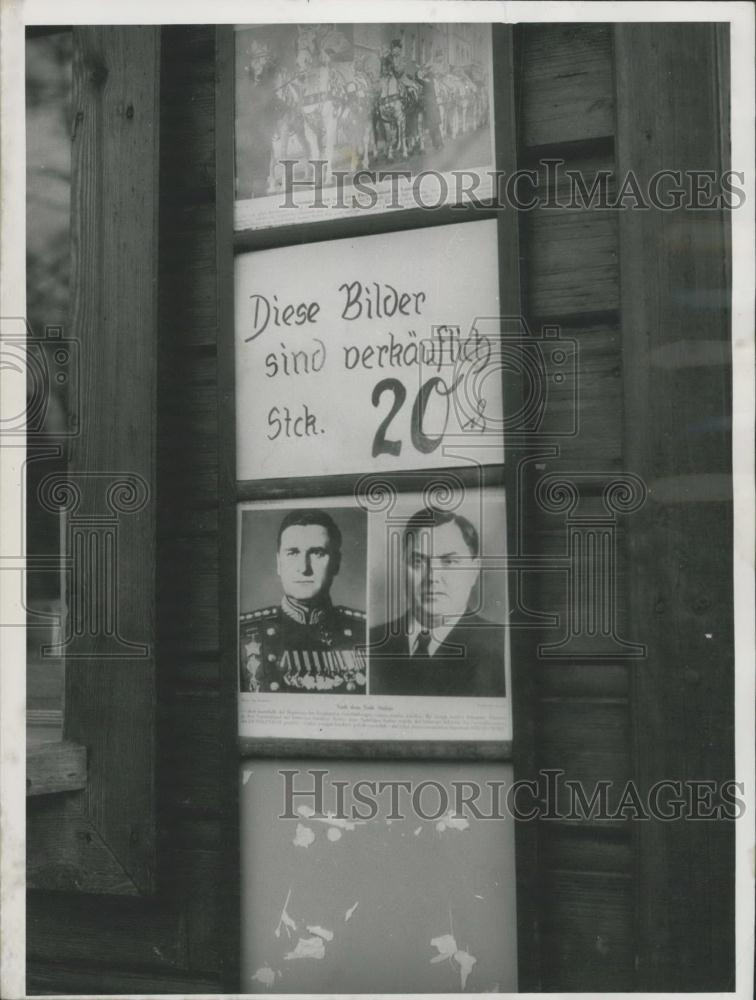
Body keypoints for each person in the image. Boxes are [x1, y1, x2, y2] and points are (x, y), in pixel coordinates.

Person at [369, 507, 505, 697]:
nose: (432, 577)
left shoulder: (503, 646)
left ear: (474, 570)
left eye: (449, 562)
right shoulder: (371, 642)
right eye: (418, 562)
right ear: (403, 569)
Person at [239, 509, 366, 694]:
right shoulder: (244, 635)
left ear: (336, 563)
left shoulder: (366, 633)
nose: (304, 567)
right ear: (278, 563)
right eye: (292, 553)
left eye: (317, 553)